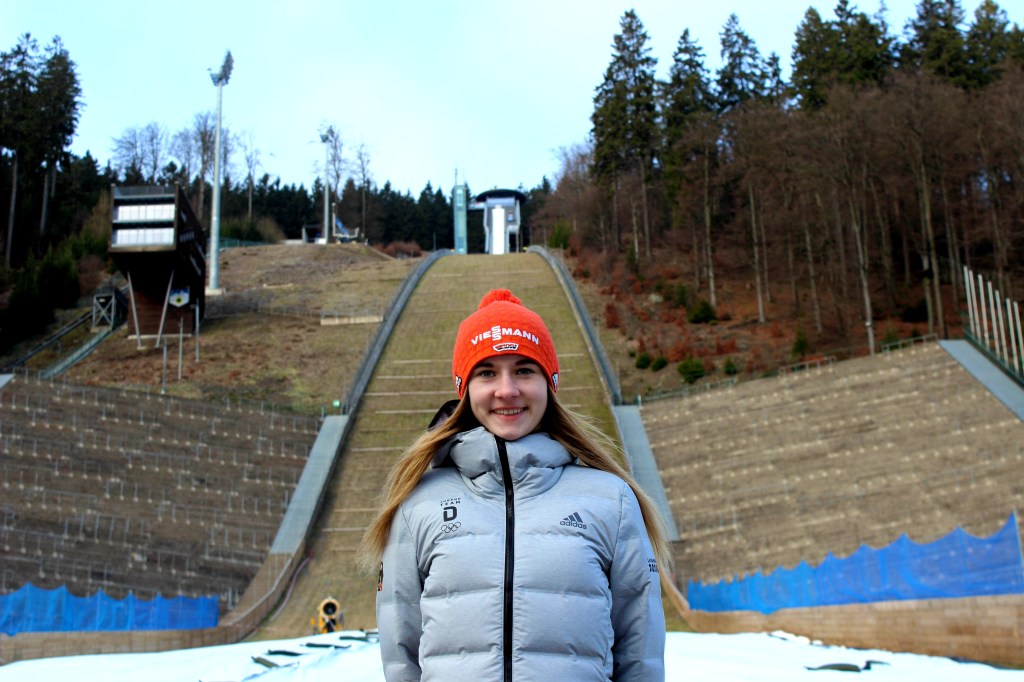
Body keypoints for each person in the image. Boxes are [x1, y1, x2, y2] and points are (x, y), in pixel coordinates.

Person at [362, 289, 668, 681]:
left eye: (524, 370)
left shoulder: (611, 500)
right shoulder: (418, 505)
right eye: (487, 372)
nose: (507, 390)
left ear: (549, 382)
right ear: (465, 388)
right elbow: (401, 655)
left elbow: (640, 653)